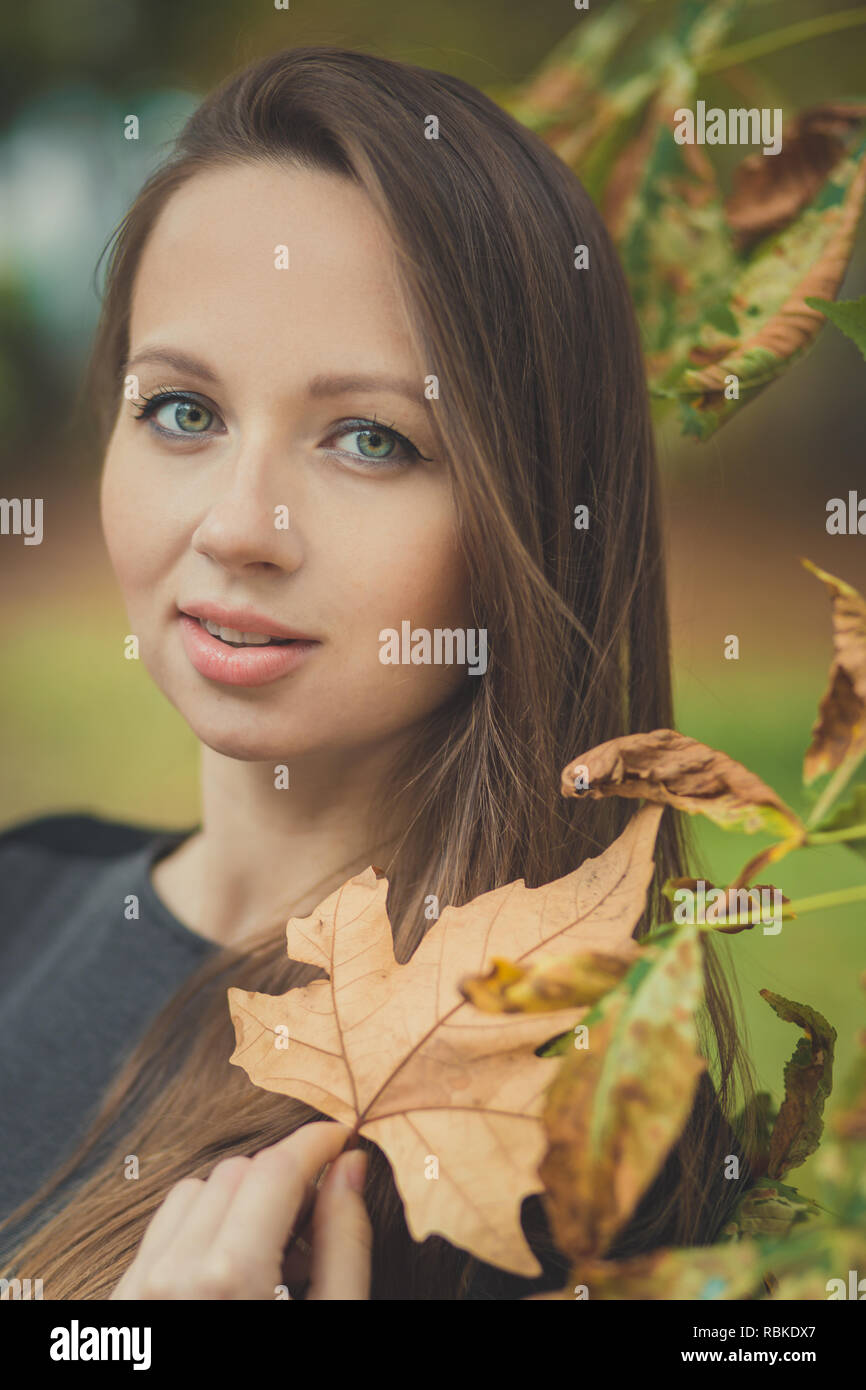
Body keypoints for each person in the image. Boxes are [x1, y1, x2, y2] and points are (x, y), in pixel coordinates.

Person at [0, 45, 754, 1301]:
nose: (239, 525)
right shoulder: (25, 883)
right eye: (182, 411)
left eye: (369, 439)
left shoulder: (595, 1154)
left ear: (532, 517)